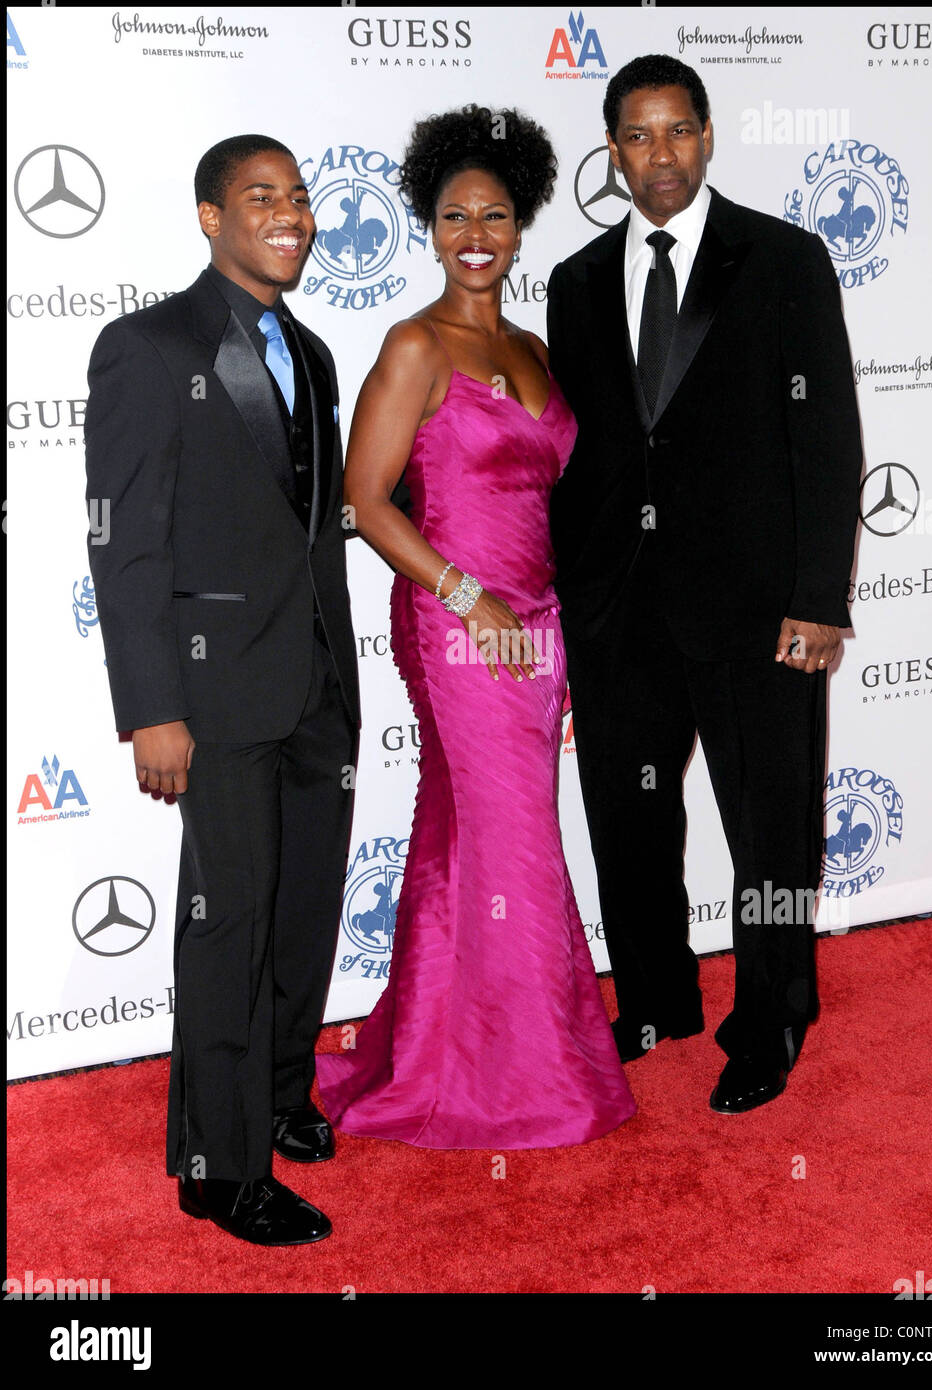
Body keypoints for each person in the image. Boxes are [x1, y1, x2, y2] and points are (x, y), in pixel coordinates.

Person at [315, 105, 635, 1148]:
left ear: (521, 220)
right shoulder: (415, 345)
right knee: (518, 840)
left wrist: (557, 634)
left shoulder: (530, 345)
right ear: (428, 225)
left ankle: (437, 1054)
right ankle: (531, 1074)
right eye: (454, 215)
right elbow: (364, 500)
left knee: (465, 840)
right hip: (460, 622)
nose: (475, 233)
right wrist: (466, 598)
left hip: (536, 625)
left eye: (494, 213)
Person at [546, 55, 862, 1113]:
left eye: (679, 131)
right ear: (612, 151)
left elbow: (826, 441)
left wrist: (819, 597)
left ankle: (772, 1017)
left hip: (758, 610)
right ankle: (653, 998)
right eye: (639, 136)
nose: (661, 154)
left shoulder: (783, 259)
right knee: (629, 821)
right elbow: (580, 453)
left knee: (770, 824)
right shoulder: (576, 283)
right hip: (619, 611)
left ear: (710, 134)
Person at [84, 135, 358, 1243]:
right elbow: (125, 542)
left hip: (316, 688)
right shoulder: (148, 347)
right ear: (210, 217)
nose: (286, 215)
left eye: (296, 198)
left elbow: (313, 535)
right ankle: (217, 1165)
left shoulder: (319, 354)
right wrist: (153, 706)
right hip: (213, 695)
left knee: (301, 910)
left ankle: (282, 1097)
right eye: (259, 198)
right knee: (226, 920)